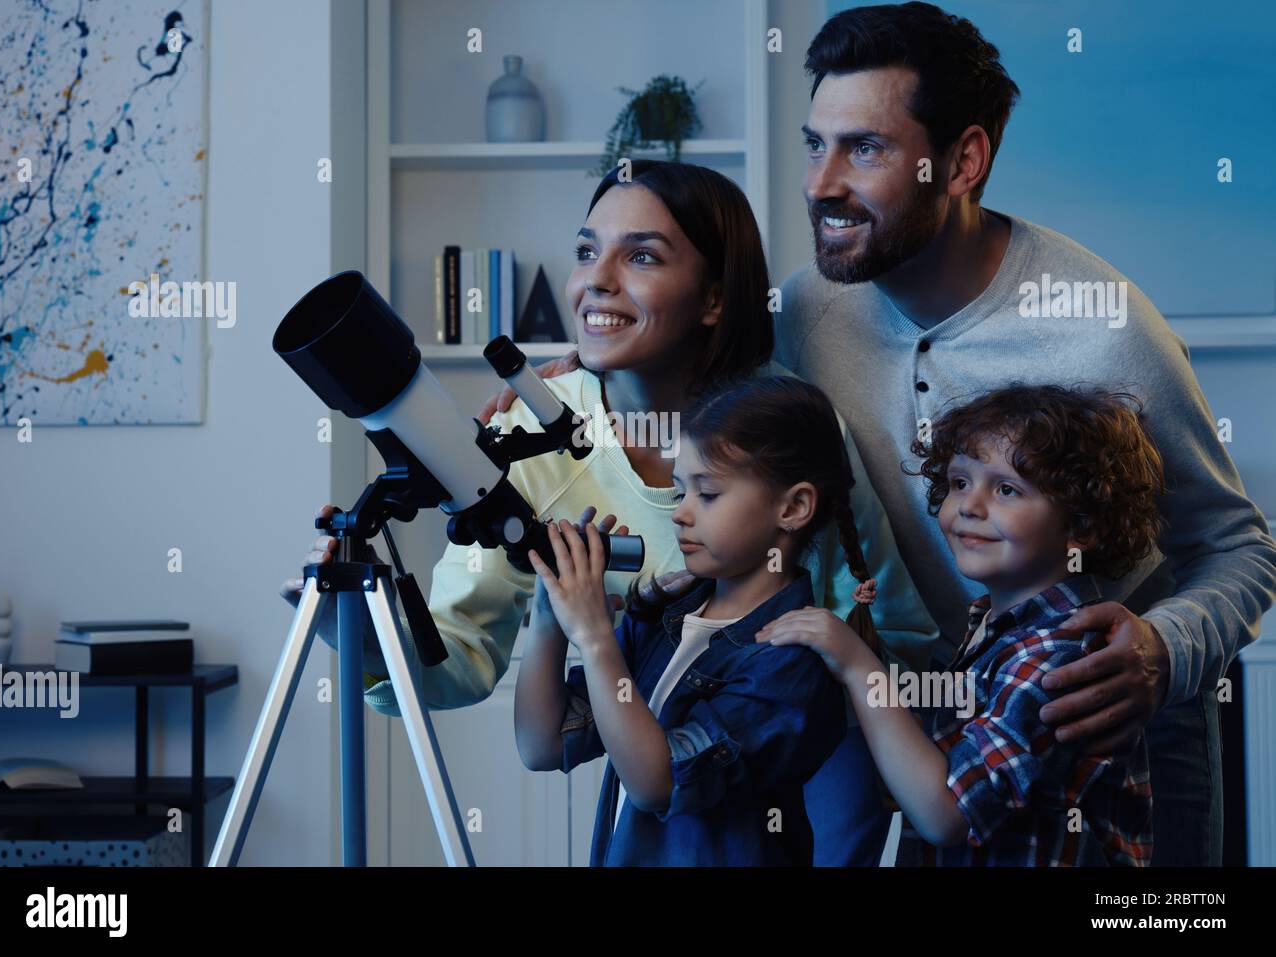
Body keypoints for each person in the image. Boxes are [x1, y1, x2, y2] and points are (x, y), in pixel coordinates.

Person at [481, 3, 1276, 865]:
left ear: (963, 160)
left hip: (1123, 730)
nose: (822, 182)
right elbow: (710, 376)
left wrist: (1166, 647)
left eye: (866, 149)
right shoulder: (805, 311)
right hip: (933, 731)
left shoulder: (1104, 329)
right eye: (814, 143)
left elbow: (1238, 546)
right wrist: (583, 370)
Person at [282, 160, 941, 865]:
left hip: (806, 793)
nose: (595, 278)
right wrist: (363, 635)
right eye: (587, 250)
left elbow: (893, 632)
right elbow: (466, 655)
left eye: (642, 256)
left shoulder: (790, 431)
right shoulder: (526, 438)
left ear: (714, 297)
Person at [758, 384, 1163, 865]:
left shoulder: (1060, 655)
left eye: (1008, 489)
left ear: (1081, 528)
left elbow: (948, 815)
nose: (969, 505)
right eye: (959, 482)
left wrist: (857, 666)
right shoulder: (994, 624)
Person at [517, 376, 881, 865]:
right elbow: (543, 744)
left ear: (793, 507)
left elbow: (659, 783)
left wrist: (595, 637)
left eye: (706, 494)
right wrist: (550, 617)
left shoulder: (791, 659)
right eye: (678, 489)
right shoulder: (667, 619)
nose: (680, 514)